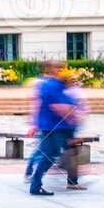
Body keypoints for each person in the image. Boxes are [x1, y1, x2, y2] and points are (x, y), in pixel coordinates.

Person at [27, 61, 78, 196]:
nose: (61, 70)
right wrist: (72, 116)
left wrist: (35, 124)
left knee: (49, 154)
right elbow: (58, 106)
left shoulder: (45, 84)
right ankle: (36, 184)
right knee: (50, 154)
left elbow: (39, 104)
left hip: (48, 125)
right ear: (52, 70)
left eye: (62, 68)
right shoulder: (55, 85)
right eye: (59, 68)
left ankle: (36, 183)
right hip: (56, 126)